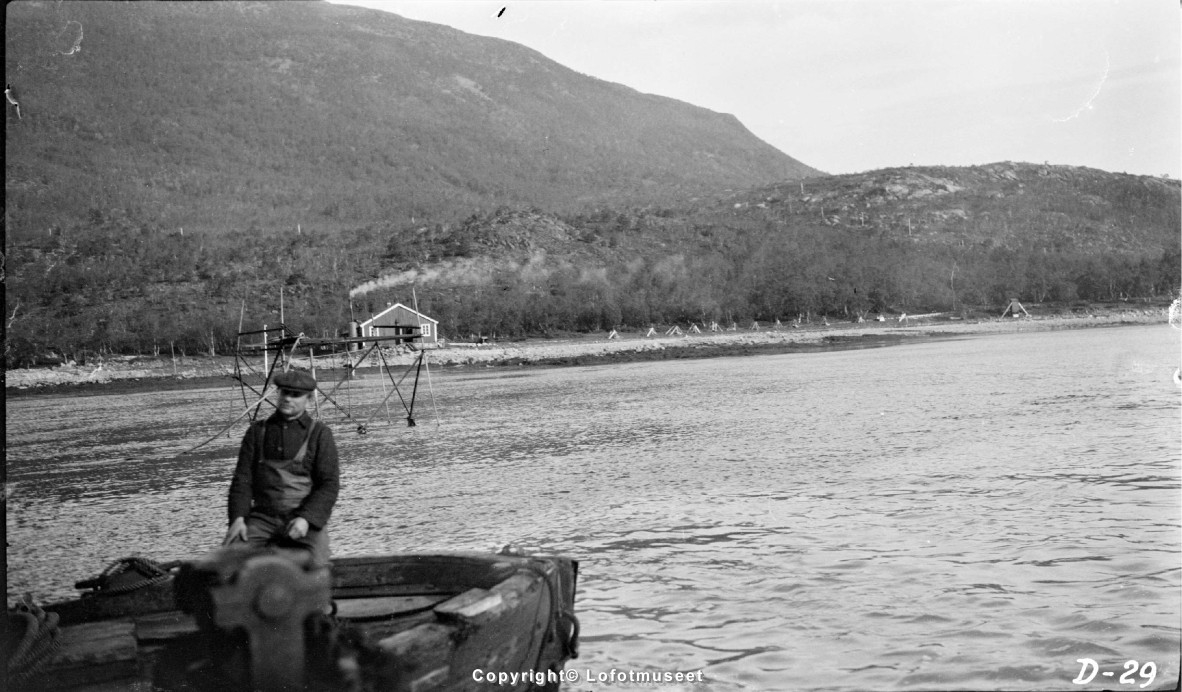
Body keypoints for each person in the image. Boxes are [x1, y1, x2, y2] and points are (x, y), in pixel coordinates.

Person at [224, 370, 339, 567]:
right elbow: (242, 481)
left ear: (309, 399)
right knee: (228, 563)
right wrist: (238, 518)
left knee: (317, 564)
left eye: (295, 395)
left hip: (302, 518)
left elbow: (328, 485)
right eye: (284, 393)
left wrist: (306, 519)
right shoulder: (257, 432)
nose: (287, 398)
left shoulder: (321, 434)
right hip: (262, 519)